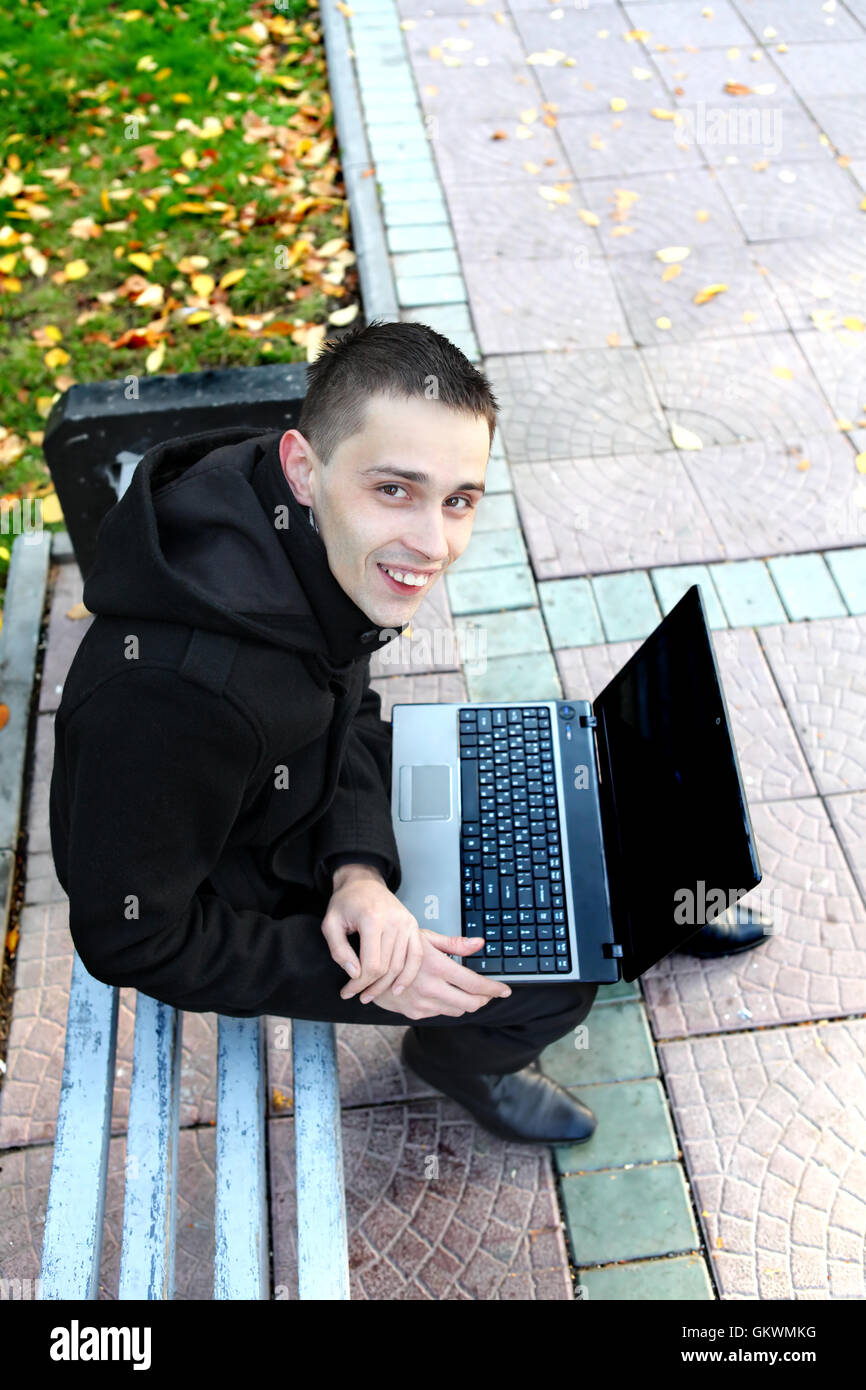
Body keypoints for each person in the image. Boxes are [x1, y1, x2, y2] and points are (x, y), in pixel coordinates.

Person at [49, 319, 762, 1149]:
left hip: (300, 793)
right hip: (243, 879)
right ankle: (464, 1059)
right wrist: (382, 963)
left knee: (572, 780)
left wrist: (358, 867)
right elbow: (131, 936)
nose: (434, 545)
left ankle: (646, 900)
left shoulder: (286, 517)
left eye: (458, 500)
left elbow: (342, 705)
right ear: (301, 467)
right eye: (396, 490)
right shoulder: (173, 700)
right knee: (546, 971)